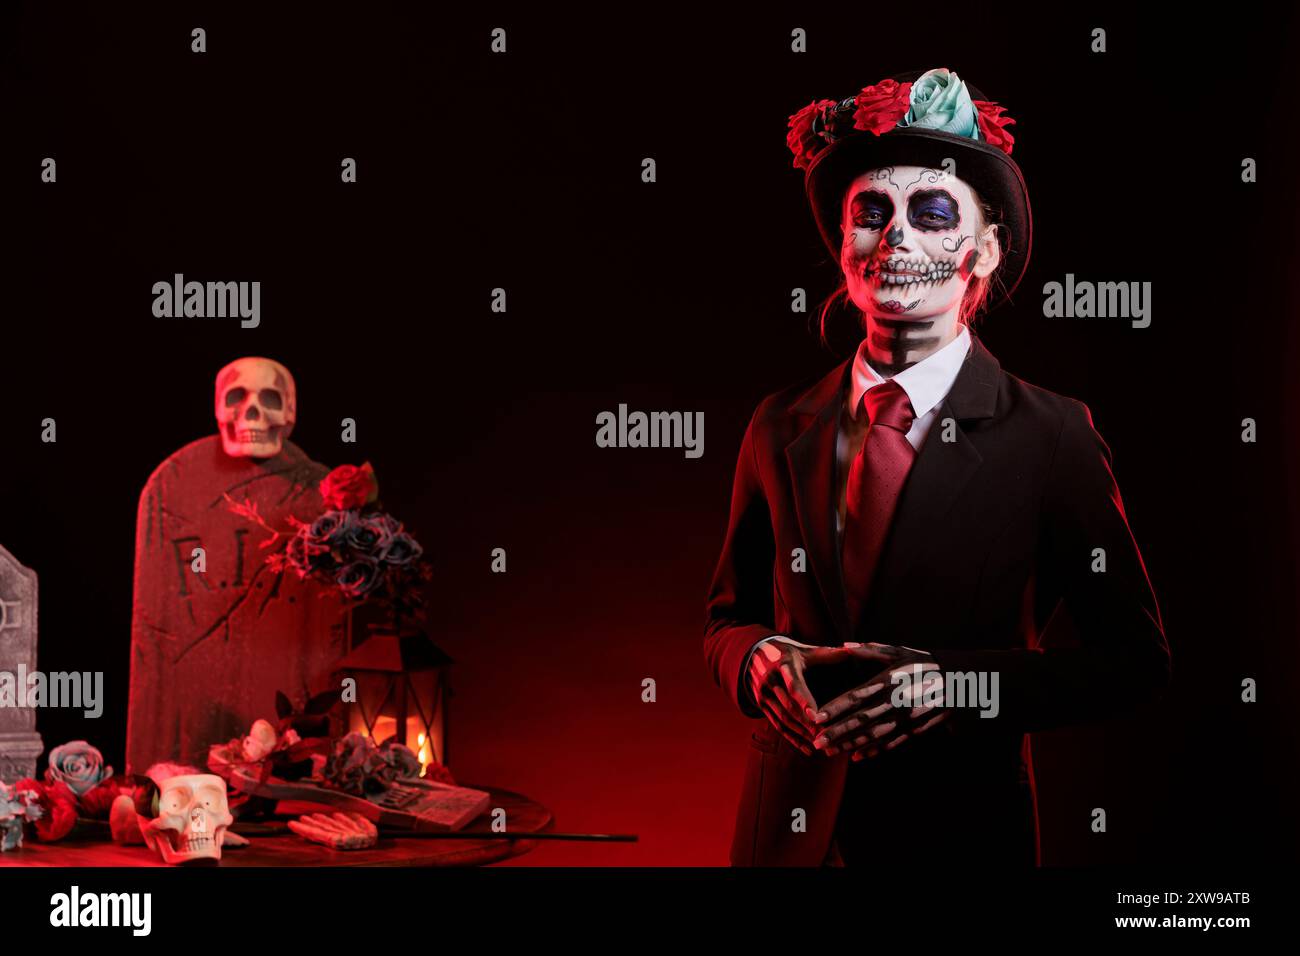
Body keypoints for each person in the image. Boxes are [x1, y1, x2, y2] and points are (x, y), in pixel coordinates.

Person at [704, 68, 1170, 866]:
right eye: (871, 214)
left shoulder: (1053, 435)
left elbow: (1133, 664)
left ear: (985, 250)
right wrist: (754, 661)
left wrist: (953, 688)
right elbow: (725, 618)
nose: (897, 239)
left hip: (959, 840)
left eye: (931, 213)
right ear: (842, 244)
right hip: (785, 837)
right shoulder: (778, 424)